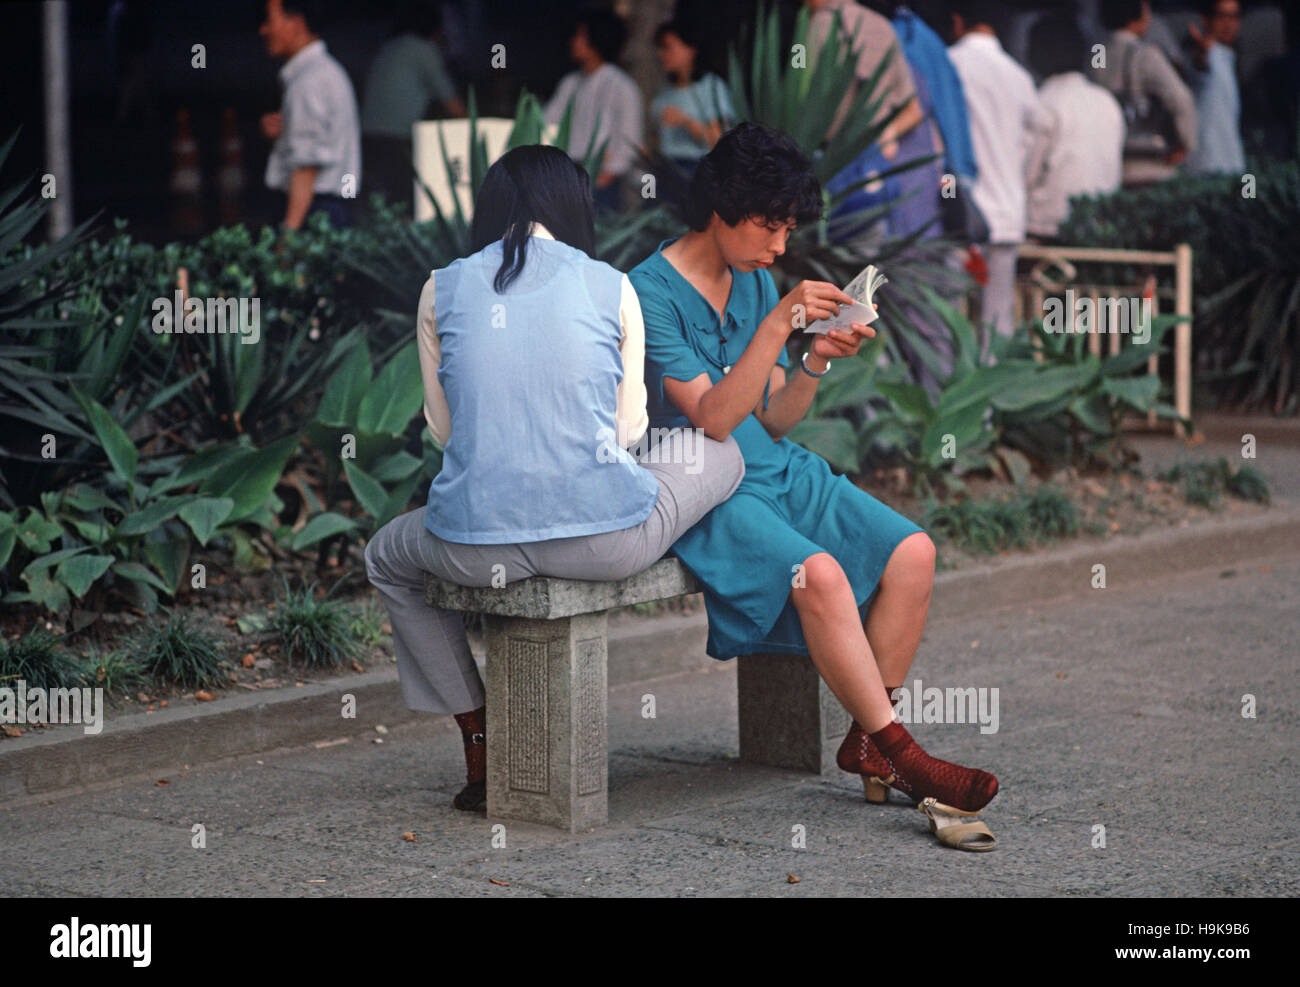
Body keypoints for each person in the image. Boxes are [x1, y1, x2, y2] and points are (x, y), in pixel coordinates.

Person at [628, 123, 1000, 824]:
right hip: (707, 483)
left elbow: (770, 419)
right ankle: (904, 752)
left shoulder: (756, 280)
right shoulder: (648, 292)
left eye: (788, 226)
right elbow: (712, 418)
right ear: (721, 209)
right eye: (770, 225)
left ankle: (868, 742)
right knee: (819, 574)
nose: (779, 244)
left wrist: (816, 357)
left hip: (772, 463)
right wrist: (777, 324)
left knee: (912, 552)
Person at [364, 145, 745, 813]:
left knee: (387, 556)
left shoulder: (441, 286)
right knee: (723, 452)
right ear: (573, 205)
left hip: (474, 547)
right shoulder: (610, 284)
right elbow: (628, 435)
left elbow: (448, 433)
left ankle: (477, 730)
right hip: (605, 541)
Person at [947, 0, 1044, 346]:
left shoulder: (949, 65)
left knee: (948, 316)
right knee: (998, 317)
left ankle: (945, 397)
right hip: (1006, 212)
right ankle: (991, 398)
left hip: (958, 213)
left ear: (958, 21)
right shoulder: (1019, 76)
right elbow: (1034, 138)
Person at [258, 0, 362, 229]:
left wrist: (288, 239)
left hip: (313, 213)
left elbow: (306, 166)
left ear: (296, 23)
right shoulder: (321, 72)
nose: (263, 30)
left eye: (269, 21)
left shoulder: (309, 81)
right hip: (324, 210)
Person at [1025, 12, 1125, 240]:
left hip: (1048, 228)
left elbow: (1027, 174)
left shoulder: (1043, 103)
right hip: (1102, 225)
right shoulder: (1107, 101)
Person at [360, 0, 465, 214]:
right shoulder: (424, 51)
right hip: (398, 140)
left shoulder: (390, 46)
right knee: (407, 206)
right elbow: (455, 108)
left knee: (380, 206)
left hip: (369, 137)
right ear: (437, 28)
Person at [544, 11, 643, 214]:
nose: (574, 41)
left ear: (597, 39)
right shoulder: (570, 83)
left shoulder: (621, 86)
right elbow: (548, 122)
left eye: (581, 35)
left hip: (601, 181)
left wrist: (607, 175)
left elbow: (630, 139)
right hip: (568, 176)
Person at [1091, 0, 1198, 186]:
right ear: (1136, 16)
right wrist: (1186, 143)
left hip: (1113, 163)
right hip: (1151, 164)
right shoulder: (1145, 54)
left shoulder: (1098, 54)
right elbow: (1181, 99)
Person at [650, 19, 732, 178]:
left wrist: (687, 122)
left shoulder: (712, 87)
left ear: (690, 49)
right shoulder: (664, 93)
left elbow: (720, 141)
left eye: (668, 47)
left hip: (697, 170)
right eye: (660, 48)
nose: (662, 54)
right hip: (666, 170)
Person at [1183, 0, 1246, 175]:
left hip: (1231, 164)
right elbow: (1200, 66)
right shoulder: (1206, 53)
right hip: (1207, 166)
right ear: (1206, 20)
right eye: (1222, 16)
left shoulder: (1229, 56)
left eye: (1234, 17)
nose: (1229, 23)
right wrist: (1203, 52)